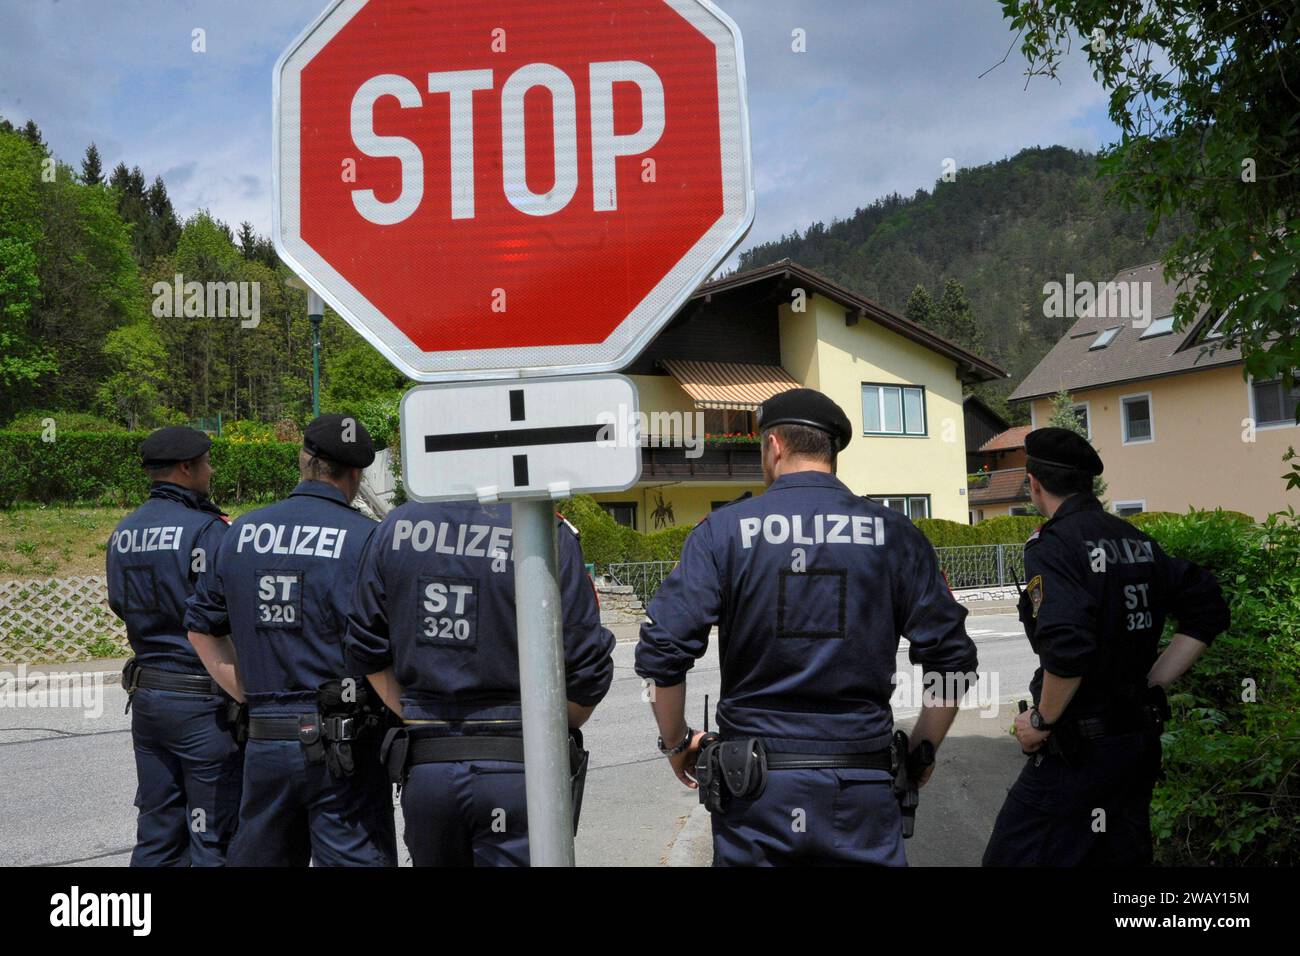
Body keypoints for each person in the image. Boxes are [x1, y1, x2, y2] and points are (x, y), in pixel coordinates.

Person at [635, 387, 978, 866]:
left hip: (756, 791)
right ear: (831, 452)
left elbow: (663, 651)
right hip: (863, 785)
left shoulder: (724, 531)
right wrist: (921, 750)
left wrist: (676, 743)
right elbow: (953, 660)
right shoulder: (897, 535)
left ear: (774, 446)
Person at [982, 427, 1230, 866]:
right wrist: (1151, 681)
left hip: (1079, 751)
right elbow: (1207, 607)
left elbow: (1068, 648)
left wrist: (1041, 719)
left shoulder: (1054, 546)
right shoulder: (1134, 539)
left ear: (1034, 484)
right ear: (1088, 483)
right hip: (1136, 745)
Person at [345, 500, 615, 866]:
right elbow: (587, 665)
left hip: (429, 767)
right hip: (522, 768)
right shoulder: (540, 526)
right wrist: (547, 726)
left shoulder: (395, 528)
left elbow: (366, 648)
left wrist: (417, 715)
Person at [185, 414, 396, 866]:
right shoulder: (369, 540)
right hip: (346, 749)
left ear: (303, 460)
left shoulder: (240, 532)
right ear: (356, 475)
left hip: (265, 741)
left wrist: (250, 695)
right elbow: (386, 645)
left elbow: (201, 629)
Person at [106, 426, 242, 866]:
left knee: (158, 834)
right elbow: (231, 615)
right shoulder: (208, 531)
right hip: (203, 705)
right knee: (213, 836)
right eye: (206, 462)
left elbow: (118, 604)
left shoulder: (122, 533)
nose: (212, 469)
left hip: (147, 701)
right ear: (187, 468)